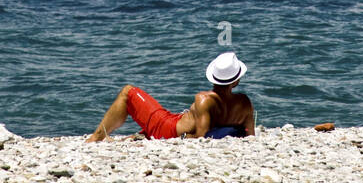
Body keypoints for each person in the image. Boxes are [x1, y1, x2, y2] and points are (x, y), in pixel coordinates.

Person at [86, 52, 255, 142]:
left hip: (169, 129)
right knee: (144, 131)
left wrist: (181, 138)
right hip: (174, 122)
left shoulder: (204, 100)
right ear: (236, 80)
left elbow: (201, 137)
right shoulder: (245, 103)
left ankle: (96, 137)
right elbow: (250, 136)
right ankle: (136, 138)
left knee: (128, 92)